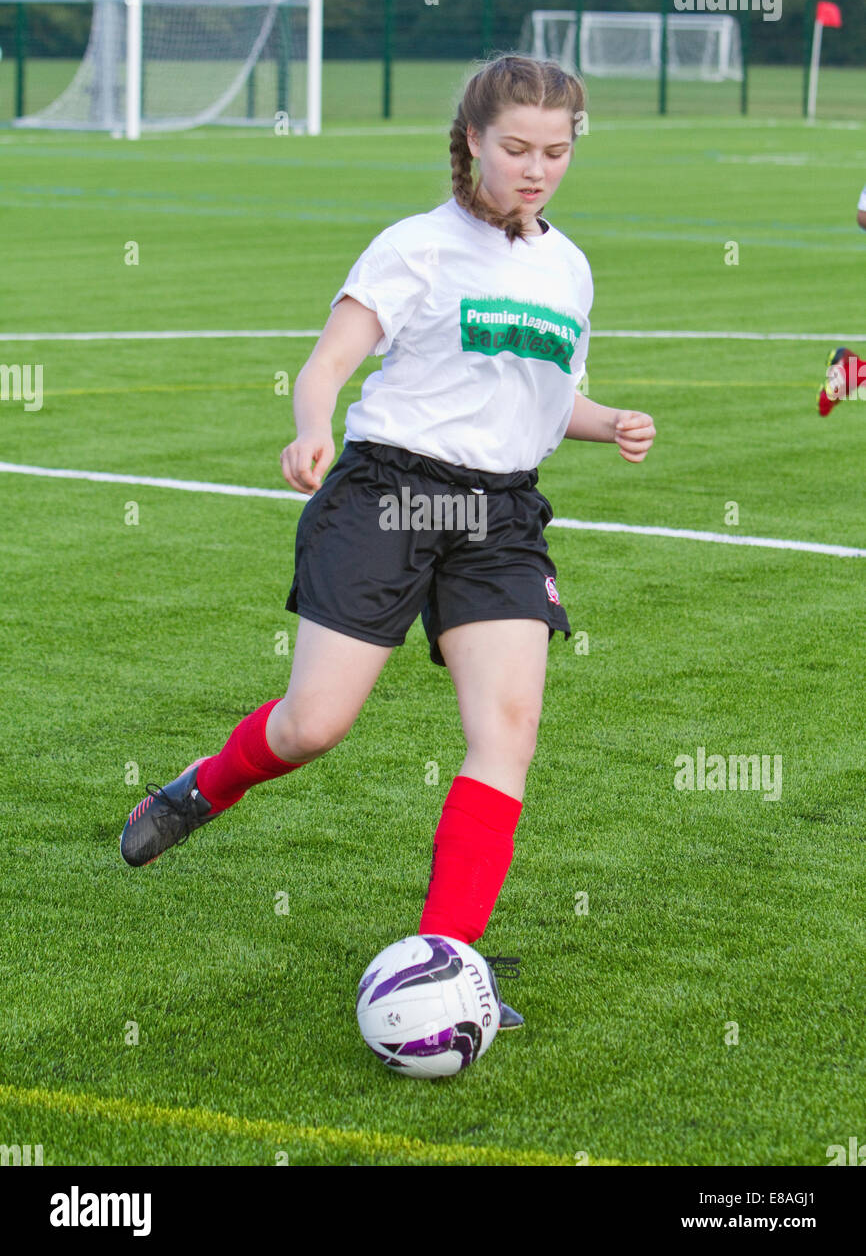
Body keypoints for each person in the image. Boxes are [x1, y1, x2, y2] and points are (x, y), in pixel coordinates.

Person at [120, 53, 656, 1028]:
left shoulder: (567, 267)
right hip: (389, 492)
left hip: (499, 517)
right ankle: (206, 785)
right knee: (312, 725)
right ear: (470, 143)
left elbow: (546, 396)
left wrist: (608, 416)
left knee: (506, 733)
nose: (535, 168)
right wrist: (312, 422)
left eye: (555, 150)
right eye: (515, 149)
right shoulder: (415, 246)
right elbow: (328, 361)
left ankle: (446, 958)